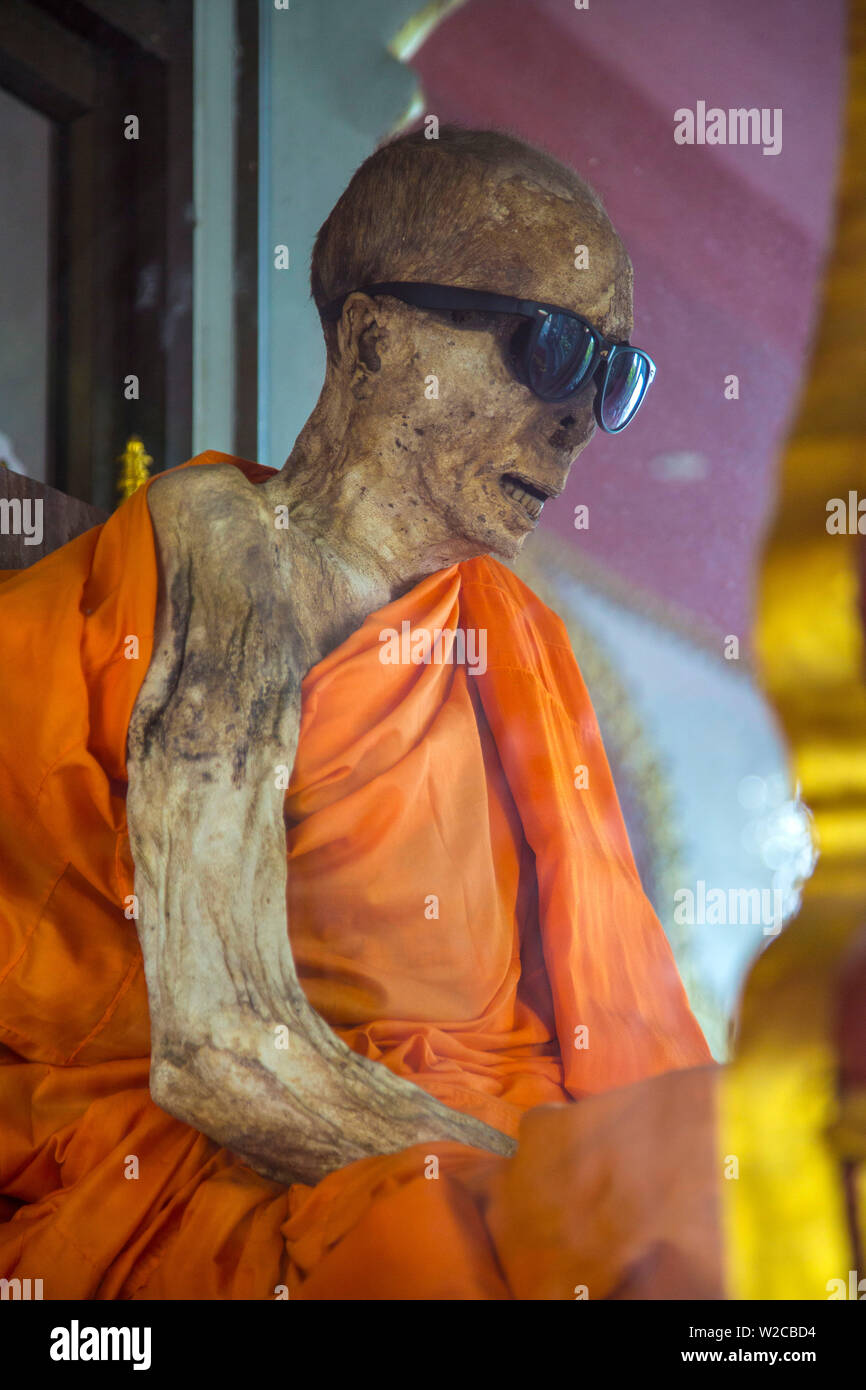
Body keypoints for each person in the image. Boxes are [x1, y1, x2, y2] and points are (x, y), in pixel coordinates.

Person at [0, 126, 716, 1300]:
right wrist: (552, 1207)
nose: (576, 418)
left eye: (611, 376)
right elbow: (226, 1055)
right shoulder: (229, 570)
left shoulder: (512, 637)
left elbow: (616, 1035)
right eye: (548, 348)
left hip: (506, 1149)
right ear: (374, 339)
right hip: (288, 1169)